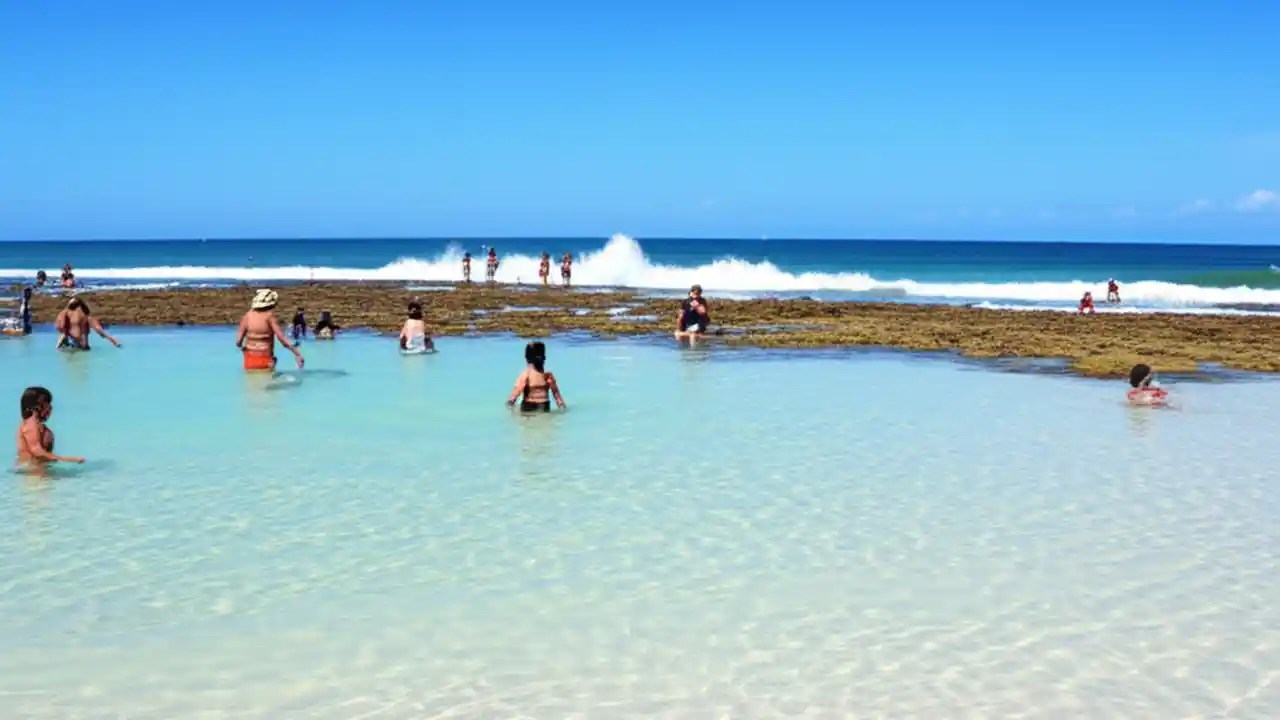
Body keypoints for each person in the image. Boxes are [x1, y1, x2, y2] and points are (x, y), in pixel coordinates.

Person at [235, 289, 304, 371]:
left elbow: (238, 342)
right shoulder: (269, 317)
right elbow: (282, 339)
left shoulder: (247, 316)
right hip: (265, 359)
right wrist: (297, 354)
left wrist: (244, 349)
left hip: (249, 361)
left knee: (251, 382)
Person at [16, 386, 84, 467]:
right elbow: (37, 451)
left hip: (38, 471)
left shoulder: (38, 426)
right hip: (31, 473)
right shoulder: (31, 424)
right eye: (48, 403)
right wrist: (69, 460)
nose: (51, 407)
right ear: (37, 406)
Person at [507, 341, 566, 412]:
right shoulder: (543, 376)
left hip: (531, 409)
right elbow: (558, 397)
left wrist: (510, 403)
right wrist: (562, 406)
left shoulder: (546, 376)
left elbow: (515, 393)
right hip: (541, 407)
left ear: (527, 359)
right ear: (544, 358)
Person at [55, 297, 121, 350]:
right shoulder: (87, 317)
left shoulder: (67, 314)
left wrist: (57, 348)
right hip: (85, 348)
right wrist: (114, 341)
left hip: (74, 348)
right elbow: (99, 330)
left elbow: (63, 331)